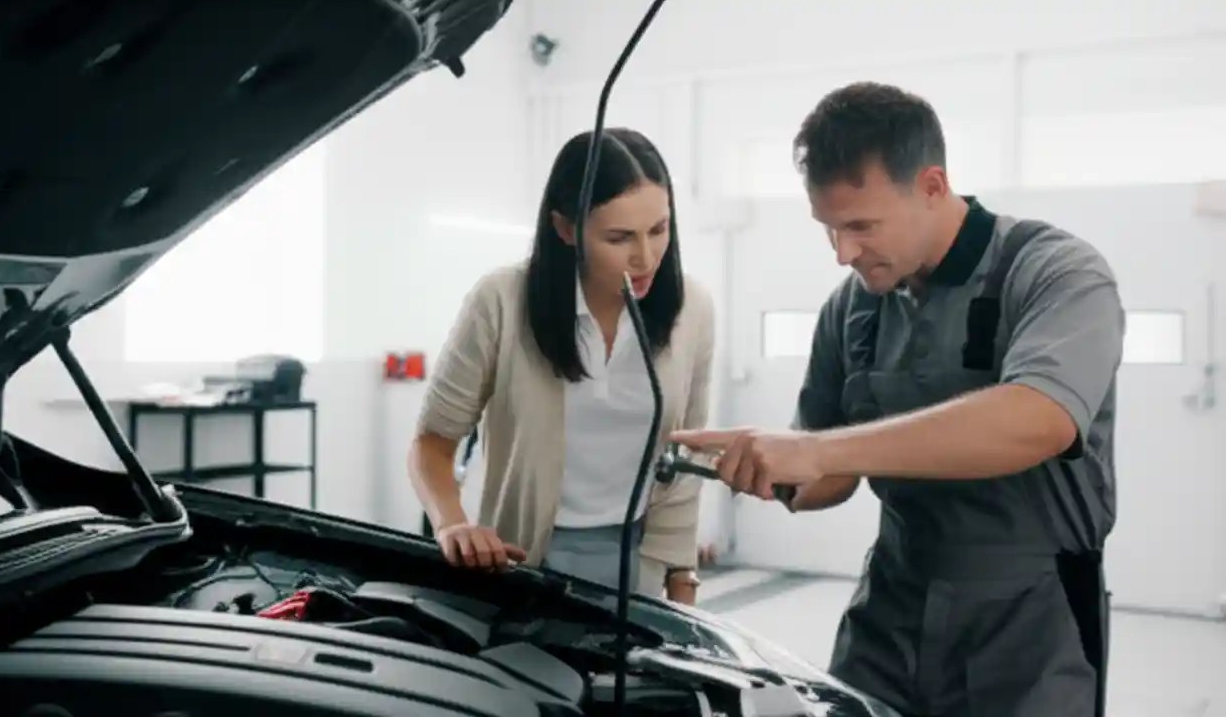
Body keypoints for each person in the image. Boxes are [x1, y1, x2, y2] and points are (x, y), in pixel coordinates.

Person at [671, 82, 1123, 716]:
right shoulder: (852, 309)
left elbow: (1037, 419)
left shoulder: (1056, 273)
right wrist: (768, 468)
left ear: (933, 186)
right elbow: (830, 477)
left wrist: (818, 450)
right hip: (891, 607)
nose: (843, 253)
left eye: (861, 225)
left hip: (1030, 619)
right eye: (829, 229)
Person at [409, 127, 715, 605]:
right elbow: (432, 443)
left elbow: (687, 456)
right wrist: (452, 524)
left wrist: (682, 583)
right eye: (620, 238)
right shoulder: (501, 300)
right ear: (566, 228)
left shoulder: (692, 308)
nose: (646, 257)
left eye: (659, 229)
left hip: (639, 560)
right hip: (519, 557)